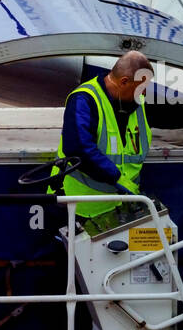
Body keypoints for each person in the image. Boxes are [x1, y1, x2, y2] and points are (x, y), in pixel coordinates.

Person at [51, 51, 153, 220]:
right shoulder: (84, 100)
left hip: (120, 205)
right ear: (124, 82)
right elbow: (78, 149)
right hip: (79, 207)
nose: (143, 94)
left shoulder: (135, 104)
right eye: (140, 88)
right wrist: (118, 178)